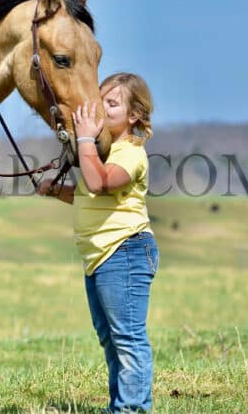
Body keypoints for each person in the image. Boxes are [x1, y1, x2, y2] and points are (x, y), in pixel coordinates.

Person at [38, 72, 158, 413]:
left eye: (112, 103)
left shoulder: (130, 153)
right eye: (100, 99)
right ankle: (121, 403)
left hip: (126, 252)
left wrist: (85, 141)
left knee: (128, 338)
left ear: (134, 115)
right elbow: (86, 197)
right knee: (110, 338)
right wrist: (54, 190)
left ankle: (131, 409)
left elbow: (100, 184)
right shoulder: (105, 153)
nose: (102, 108)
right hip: (100, 258)